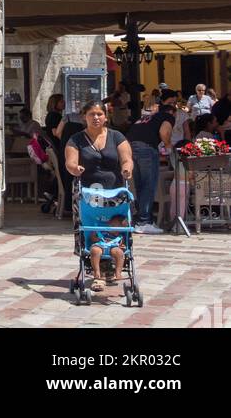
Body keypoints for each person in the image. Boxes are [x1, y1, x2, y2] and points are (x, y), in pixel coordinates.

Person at [127, 87, 176, 232]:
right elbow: (164, 131)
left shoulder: (147, 117)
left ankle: (139, 220)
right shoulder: (168, 116)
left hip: (130, 147)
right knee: (148, 184)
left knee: (140, 184)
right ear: (172, 111)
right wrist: (168, 146)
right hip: (146, 149)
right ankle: (144, 222)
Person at [65, 99, 134, 191]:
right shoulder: (75, 139)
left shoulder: (116, 136)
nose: (96, 117)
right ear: (85, 117)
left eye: (99, 114)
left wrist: (126, 169)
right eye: (92, 114)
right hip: (88, 192)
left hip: (114, 192)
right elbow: (70, 162)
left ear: (106, 117)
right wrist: (75, 169)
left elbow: (127, 159)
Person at [86, 213, 128, 294]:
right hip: (100, 245)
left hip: (113, 247)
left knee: (119, 252)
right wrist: (95, 237)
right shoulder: (101, 231)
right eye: (111, 224)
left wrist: (122, 247)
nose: (112, 227)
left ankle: (118, 272)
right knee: (95, 250)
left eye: (117, 227)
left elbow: (122, 245)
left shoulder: (120, 236)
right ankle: (97, 271)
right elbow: (92, 238)